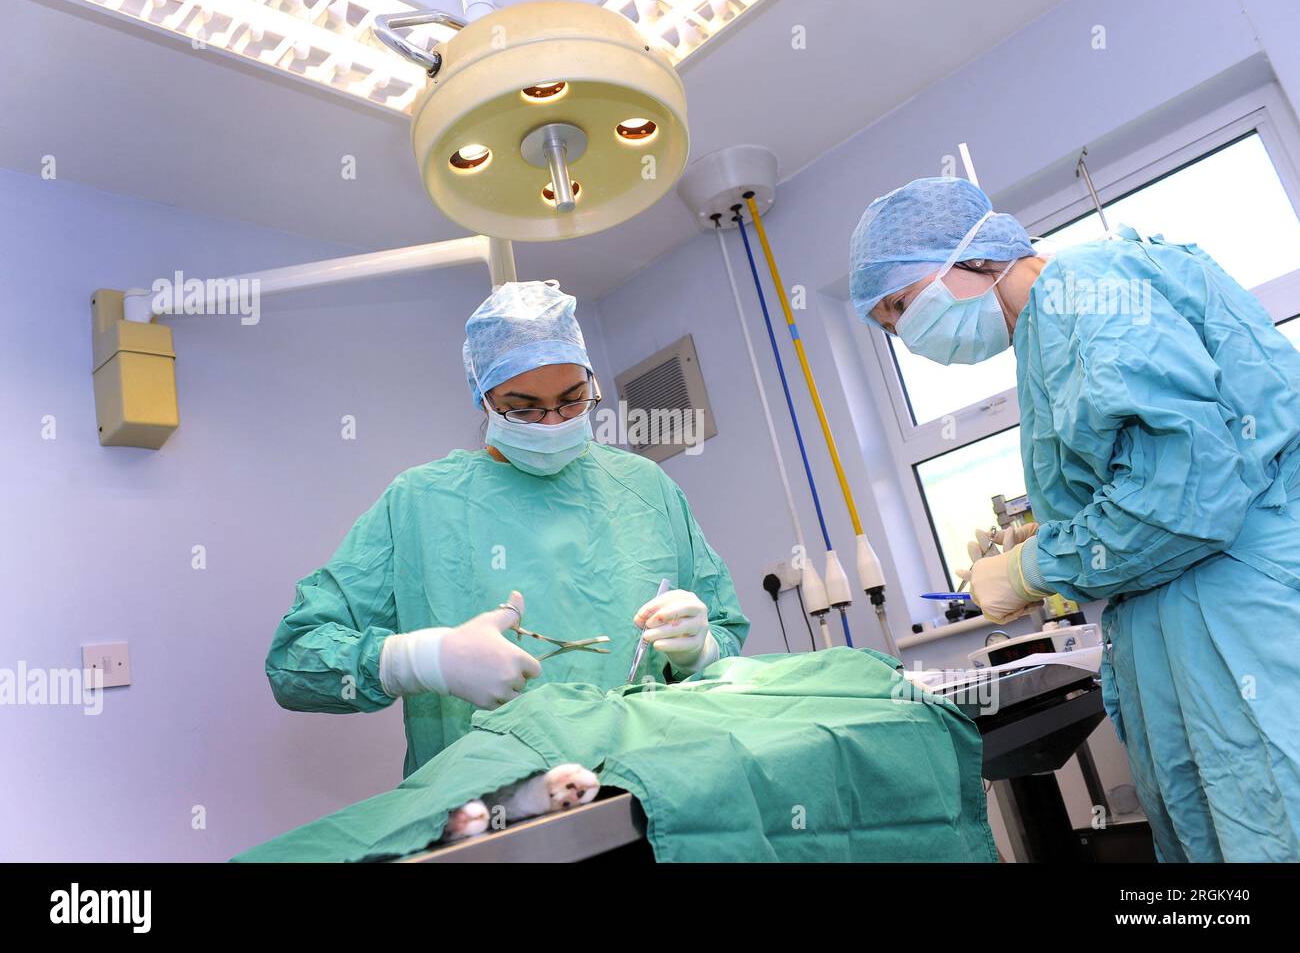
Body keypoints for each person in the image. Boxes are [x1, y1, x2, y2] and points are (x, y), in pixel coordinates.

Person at [849, 176, 1300, 862]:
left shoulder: (1081, 295)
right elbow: (1148, 464)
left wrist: (1032, 568)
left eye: (902, 306)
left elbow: (1184, 495)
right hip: (1197, 622)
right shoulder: (1054, 323)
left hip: (1237, 621)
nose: (909, 334)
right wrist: (1051, 542)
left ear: (968, 256)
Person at [266, 280, 748, 777]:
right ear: (484, 400)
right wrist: (423, 659)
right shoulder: (420, 502)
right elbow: (295, 662)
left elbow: (726, 631)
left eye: (573, 399)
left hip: (650, 784)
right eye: (523, 408)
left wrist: (701, 651)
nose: (552, 422)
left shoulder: (645, 488)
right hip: (486, 804)